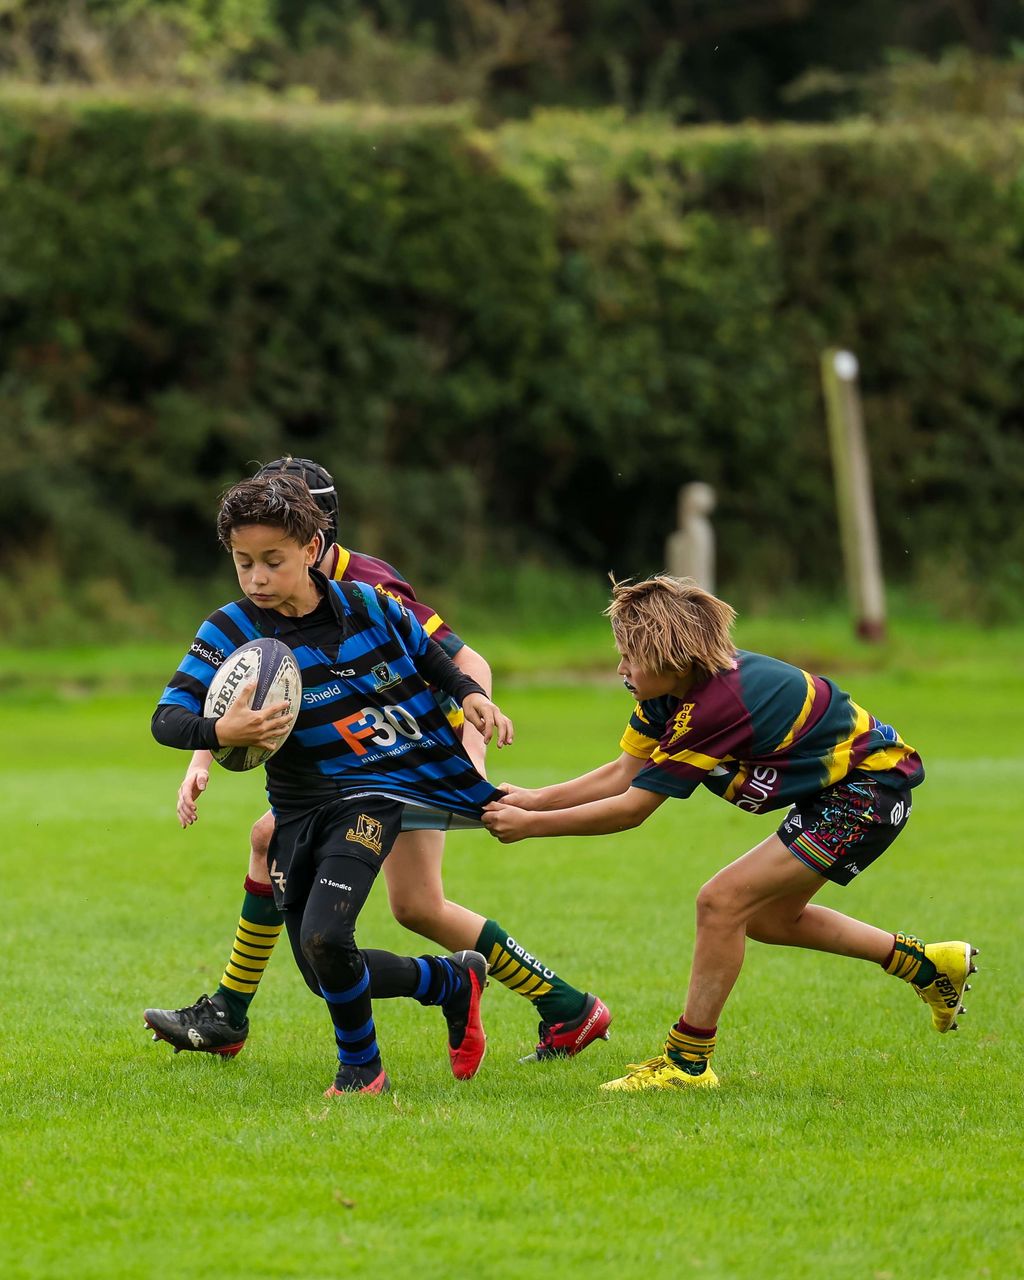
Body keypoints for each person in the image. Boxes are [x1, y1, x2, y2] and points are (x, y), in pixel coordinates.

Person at [146, 458, 610, 1069]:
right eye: (244, 558)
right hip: (342, 766)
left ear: (315, 530)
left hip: (405, 755)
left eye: (272, 553)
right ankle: (554, 1004)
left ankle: (237, 1014)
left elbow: (463, 662)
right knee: (381, 904)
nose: (256, 574)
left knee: (355, 885)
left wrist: (466, 764)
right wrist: (206, 750)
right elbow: (238, 684)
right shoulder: (260, 598)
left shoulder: (367, 587)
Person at [482, 574, 976, 1092]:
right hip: (838, 790)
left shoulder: (717, 706)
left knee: (721, 902)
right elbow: (622, 772)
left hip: (868, 791)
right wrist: (533, 799)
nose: (621, 668)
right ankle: (927, 966)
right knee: (767, 918)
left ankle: (687, 1064)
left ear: (672, 658)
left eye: (631, 657)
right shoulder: (666, 694)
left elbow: (630, 809)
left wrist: (531, 827)